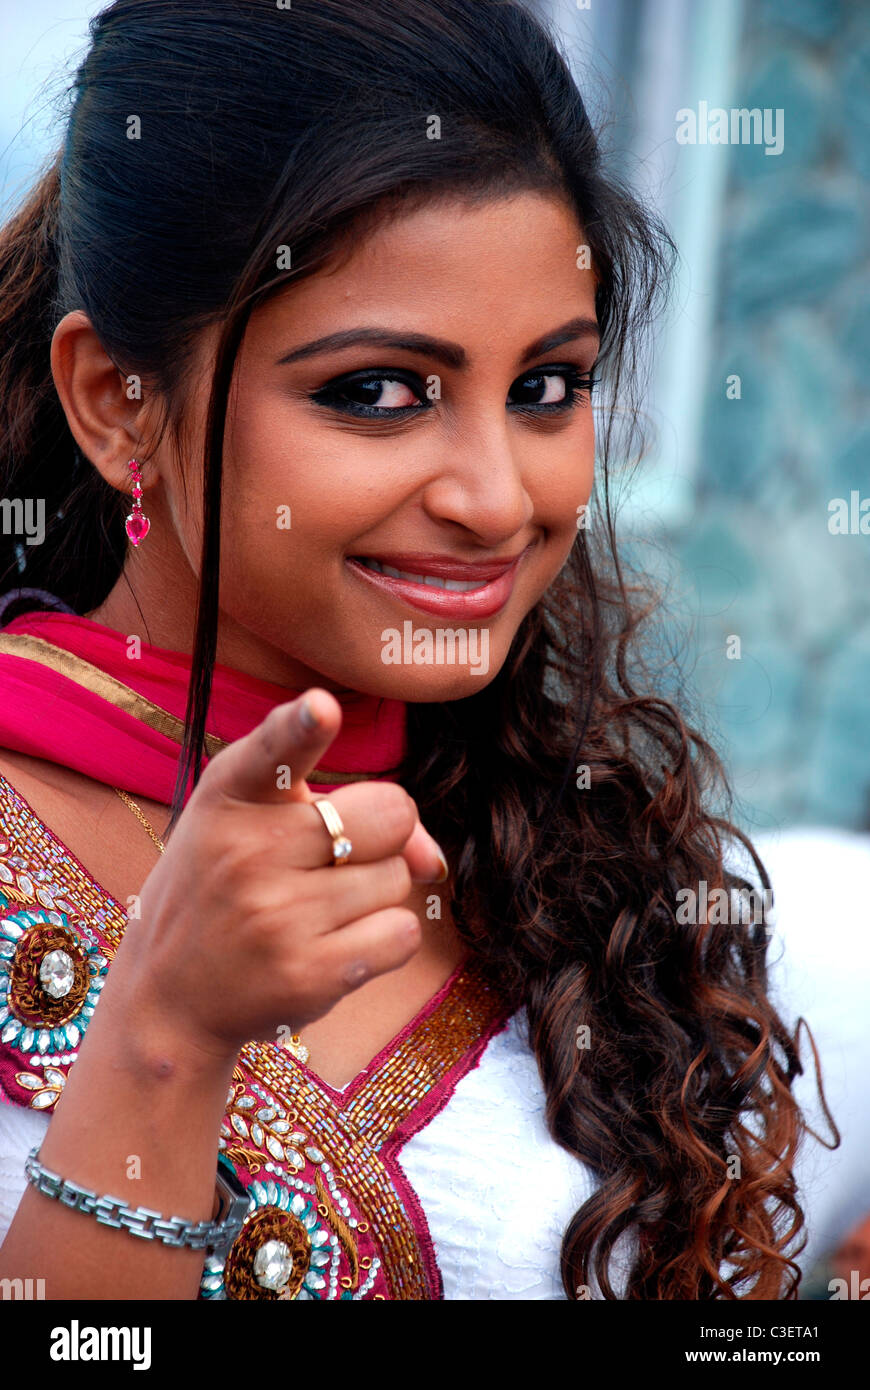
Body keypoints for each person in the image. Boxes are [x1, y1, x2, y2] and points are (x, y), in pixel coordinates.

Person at [0, 0, 835, 1301]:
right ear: (120, 399)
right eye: (379, 391)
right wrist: (163, 1039)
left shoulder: (585, 879)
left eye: (547, 386)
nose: (496, 498)